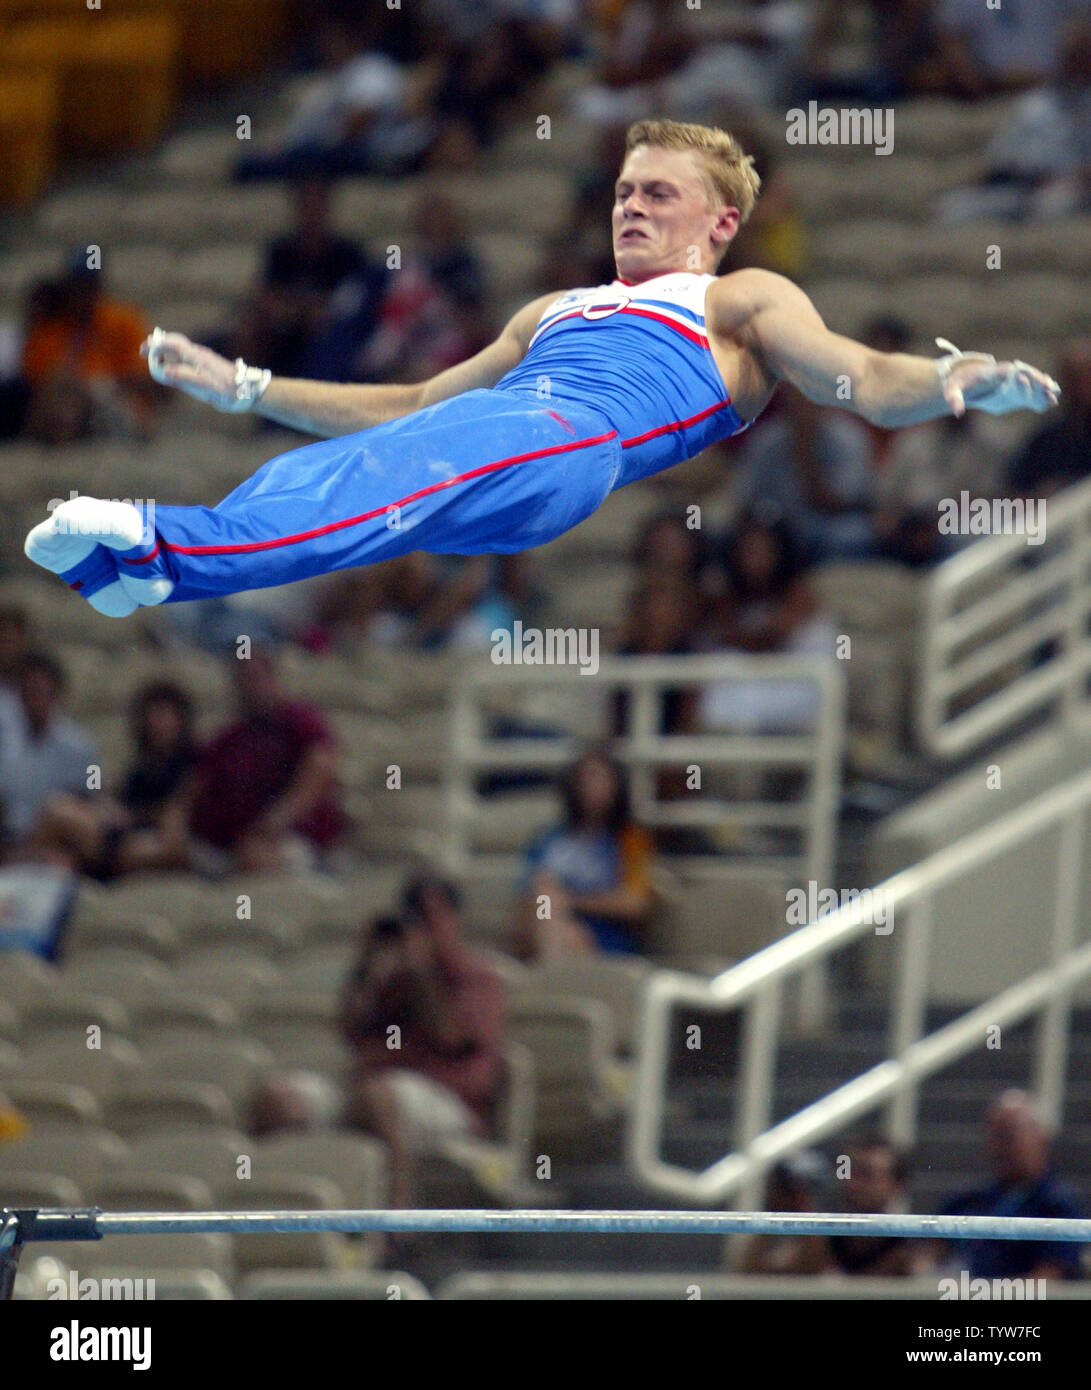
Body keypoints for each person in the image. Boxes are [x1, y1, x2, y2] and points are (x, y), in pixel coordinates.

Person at [25, 118, 1060, 620]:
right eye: (623, 188)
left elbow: (856, 378)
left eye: (660, 192)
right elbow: (409, 402)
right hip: (499, 449)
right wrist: (243, 386)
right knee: (390, 460)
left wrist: (950, 375)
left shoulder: (736, 298)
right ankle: (145, 576)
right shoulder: (552, 307)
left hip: (574, 446)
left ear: (721, 222)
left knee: (409, 463)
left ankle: (166, 549)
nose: (631, 205)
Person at [339, 876, 506, 1208]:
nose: (424, 929)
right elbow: (351, 1034)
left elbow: (452, 1038)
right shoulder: (393, 976)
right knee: (285, 1100)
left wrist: (422, 975)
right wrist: (365, 965)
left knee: (379, 1097)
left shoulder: (478, 977)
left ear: (455, 921)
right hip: (381, 1089)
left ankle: (397, 1220)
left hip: (453, 1101)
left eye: (432, 919)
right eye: (416, 917)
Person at [185, 649, 345, 873]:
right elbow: (196, 784)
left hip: (287, 836)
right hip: (227, 841)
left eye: (255, 677)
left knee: (256, 858)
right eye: (242, 679)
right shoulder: (229, 738)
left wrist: (275, 822)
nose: (250, 687)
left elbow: (319, 768)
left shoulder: (299, 721)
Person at [24, 680, 197, 881]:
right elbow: (121, 798)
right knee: (58, 833)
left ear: (180, 719)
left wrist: (132, 816)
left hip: (148, 839)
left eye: (163, 714)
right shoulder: (143, 767)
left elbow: (174, 817)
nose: (155, 723)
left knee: (58, 810)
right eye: (150, 715)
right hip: (119, 833)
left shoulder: (189, 764)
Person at [515, 746, 656, 958]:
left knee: (556, 918)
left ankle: (552, 974)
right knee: (546, 901)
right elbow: (529, 896)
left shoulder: (630, 840)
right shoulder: (550, 840)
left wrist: (571, 900)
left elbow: (634, 903)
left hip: (601, 938)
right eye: (586, 779)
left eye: (600, 779)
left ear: (616, 784)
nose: (593, 787)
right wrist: (549, 905)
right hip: (544, 923)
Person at [936, 1090, 1086, 1283]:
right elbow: (926, 1257)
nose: (999, 1147)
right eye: (993, 1135)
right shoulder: (969, 1201)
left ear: (1042, 1137)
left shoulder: (1060, 1205)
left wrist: (979, 1294)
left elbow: (1048, 1280)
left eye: (1008, 1135)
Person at [0, 652, 95, 850]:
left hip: (54, 839)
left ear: (56, 694)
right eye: (27, 692)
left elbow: (93, 793)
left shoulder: (80, 747)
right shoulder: (7, 740)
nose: (33, 700)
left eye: (40, 691)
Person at [828, 1134, 927, 1277]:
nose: (852, 1183)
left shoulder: (911, 1254)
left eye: (865, 1174)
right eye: (848, 1173)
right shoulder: (820, 1241)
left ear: (897, 1185)